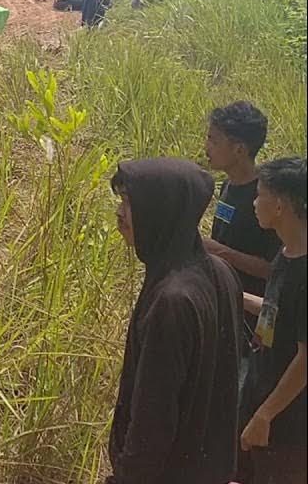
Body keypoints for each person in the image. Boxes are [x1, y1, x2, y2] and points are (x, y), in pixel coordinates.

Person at [107, 158, 243, 484]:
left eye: (130, 202)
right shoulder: (220, 273)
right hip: (209, 467)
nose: (120, 212)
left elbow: (154, 419)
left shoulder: (172, 300)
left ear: (160, 210)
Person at [239, 156, 306, 483]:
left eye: (260, 194)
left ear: (279, 205)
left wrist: (265, 415)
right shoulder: (286, 252)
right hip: (263, 395)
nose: (254, 202)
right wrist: (232, 297)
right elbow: (276, 311)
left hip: (289, 422)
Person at [204, 102, 281, 365]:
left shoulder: (267, 200)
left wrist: (218, 251)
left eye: (214, 140)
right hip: (223, 302)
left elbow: (272, 269)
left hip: (250, 320)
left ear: (239, 150)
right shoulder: (227, 184)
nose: (206, 147)